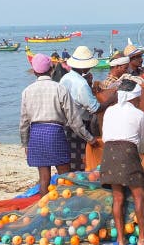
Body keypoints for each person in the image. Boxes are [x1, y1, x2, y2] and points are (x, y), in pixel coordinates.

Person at [20, 53, 98, 197]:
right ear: (51, 70)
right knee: (65, 175)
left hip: (36, 134)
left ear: (35, 72)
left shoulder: (27, 91)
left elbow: (24, 122)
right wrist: (89, 137)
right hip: (55, 133)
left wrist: (25, 144)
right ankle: (66, 204)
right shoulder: (59, 89)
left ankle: (43, 210)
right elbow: (74, 119)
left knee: (44, 179)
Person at [100, 79, 144, 245]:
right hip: (127, 152)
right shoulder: (138, 114)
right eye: (138, 99)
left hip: (108, 154)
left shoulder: (109, 111)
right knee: (139, 194)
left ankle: (120, 240)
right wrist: (142, 151)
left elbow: (104, 136)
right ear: (133, 98)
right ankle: (143, 239)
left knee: (118, 197)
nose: (140, 102)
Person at [60, 46, 114, 171]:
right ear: (85, 66)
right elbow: (95, 108)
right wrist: (111, 99)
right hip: (79, 126)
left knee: (70, 160)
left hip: (65, 124)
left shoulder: (66, 78)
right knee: (80, 161)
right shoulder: (81, 84)